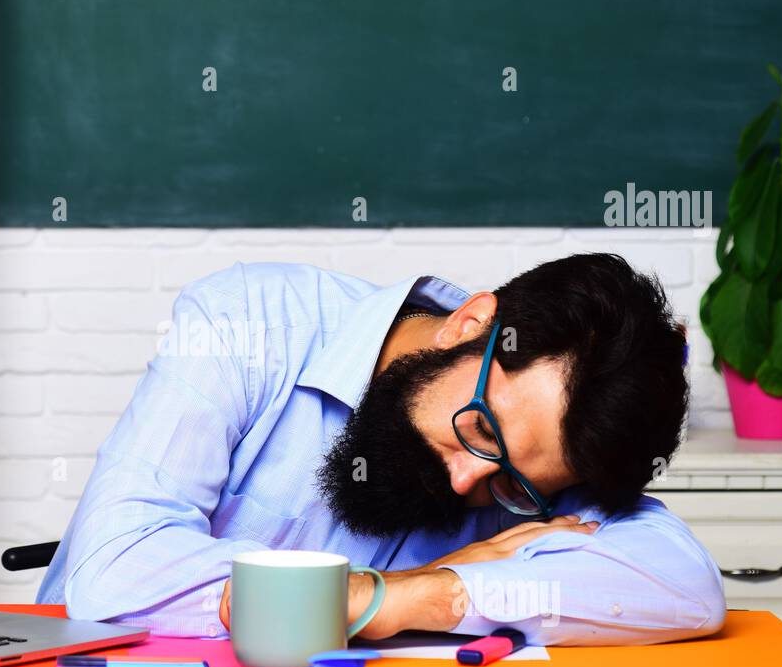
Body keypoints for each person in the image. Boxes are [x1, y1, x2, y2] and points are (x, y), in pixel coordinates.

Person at [36, 254, 726, 645]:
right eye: (480, 427)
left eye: (508, 480)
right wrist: (358, 597)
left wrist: (402, 597)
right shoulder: (247, 325)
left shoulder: (545, 462)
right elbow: (112, 573)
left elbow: (685, 585)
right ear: (471, 324)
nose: (463, 482)